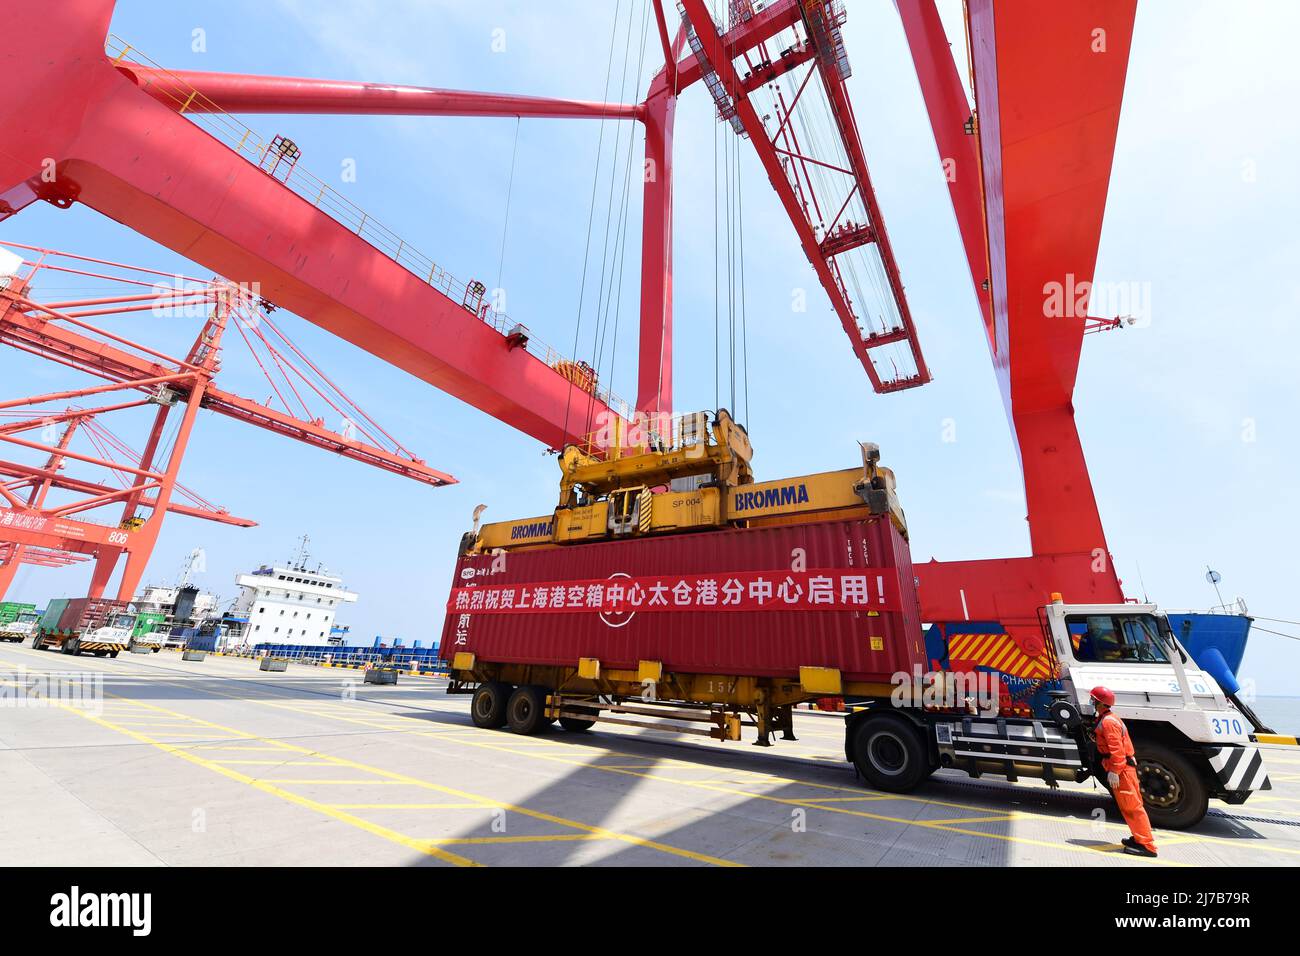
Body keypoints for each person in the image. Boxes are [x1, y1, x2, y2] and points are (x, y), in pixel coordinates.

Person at [1091, 686, 1157, 857]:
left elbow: (1117, 750)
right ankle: (1139, 838)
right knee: (1131, 806)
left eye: (1094, 700)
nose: (1092, 702)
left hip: (1122, 770)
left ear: (1099, 703)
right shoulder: (1109, 719)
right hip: (1125, 769)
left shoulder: (1108, 722)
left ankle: (1147, 846)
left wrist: (1114, 770)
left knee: (1132, 807)